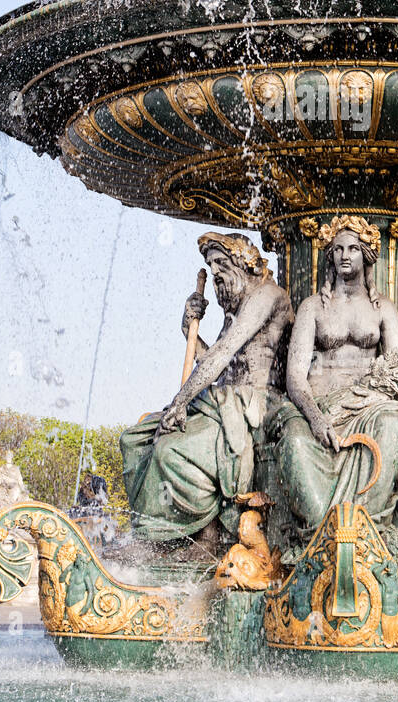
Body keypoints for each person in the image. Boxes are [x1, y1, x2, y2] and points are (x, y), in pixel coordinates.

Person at [119, 234, 293, 549]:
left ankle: (201, 536)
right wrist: (189, 328)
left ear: (244, 263)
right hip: (221, 400)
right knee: (137, 439)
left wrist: (181, 401)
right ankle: (163, 535)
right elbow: (218, 363)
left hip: (253, 403)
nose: (215, 274)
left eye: (221, 264)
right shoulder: (235, 309)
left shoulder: (268, 296)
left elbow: (222, 354)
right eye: (211, 266)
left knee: (169, 450)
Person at [272, 215, 398, 532]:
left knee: (396, 421)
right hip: (317, 405)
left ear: (366, 254)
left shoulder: (383, 309)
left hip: (369, 406)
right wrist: (314, 417)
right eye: (337, 250)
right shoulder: (312, 307)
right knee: (293, 439)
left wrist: (376, 393)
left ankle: (367, 529)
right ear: (330, 256)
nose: (345, 256)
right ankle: (319, 530)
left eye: (353, 249)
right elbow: (294, 377)